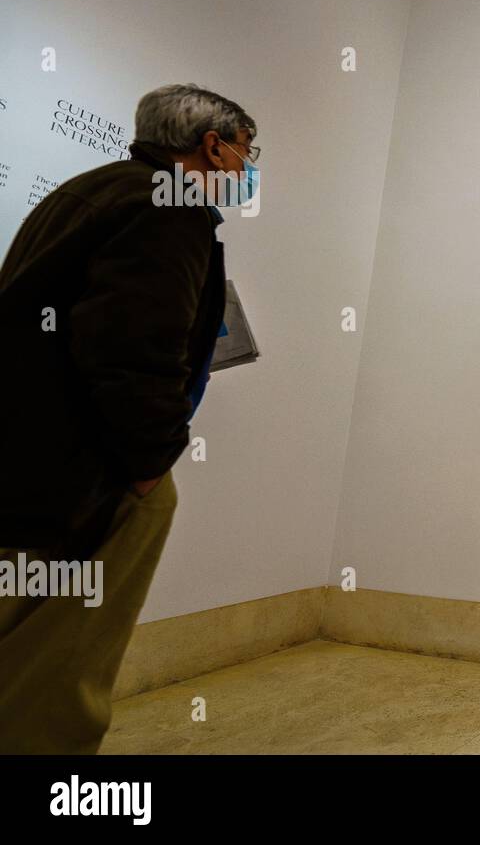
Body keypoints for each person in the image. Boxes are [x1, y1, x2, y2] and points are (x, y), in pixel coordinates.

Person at [0, 84, 257, 753]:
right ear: (213, 146)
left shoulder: (91, 190)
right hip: (92, 474)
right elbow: (131, 351)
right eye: (248, 153)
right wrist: (149, 466)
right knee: (60, 666)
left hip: (29, 467)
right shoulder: (169, 209)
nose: (249, 169)